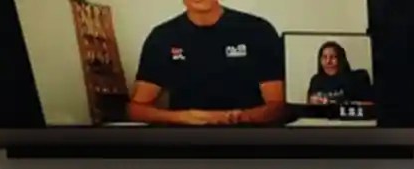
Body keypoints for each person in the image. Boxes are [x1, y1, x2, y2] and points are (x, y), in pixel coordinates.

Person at [128, 0, 286, 126]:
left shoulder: (257, 30)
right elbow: (137, 109)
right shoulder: (162, 37)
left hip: (248, 141)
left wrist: (234, 118)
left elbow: (278, 106)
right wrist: (183, 117)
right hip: (186, 143)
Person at [306, 41, 373, 106]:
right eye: (324, 57)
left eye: (333, 57)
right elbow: (308, 106)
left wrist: (342, 103)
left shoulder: (356, 78)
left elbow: (370, 105)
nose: (328, 61)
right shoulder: (316, 80)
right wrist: (313, 102)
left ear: (341, 59)